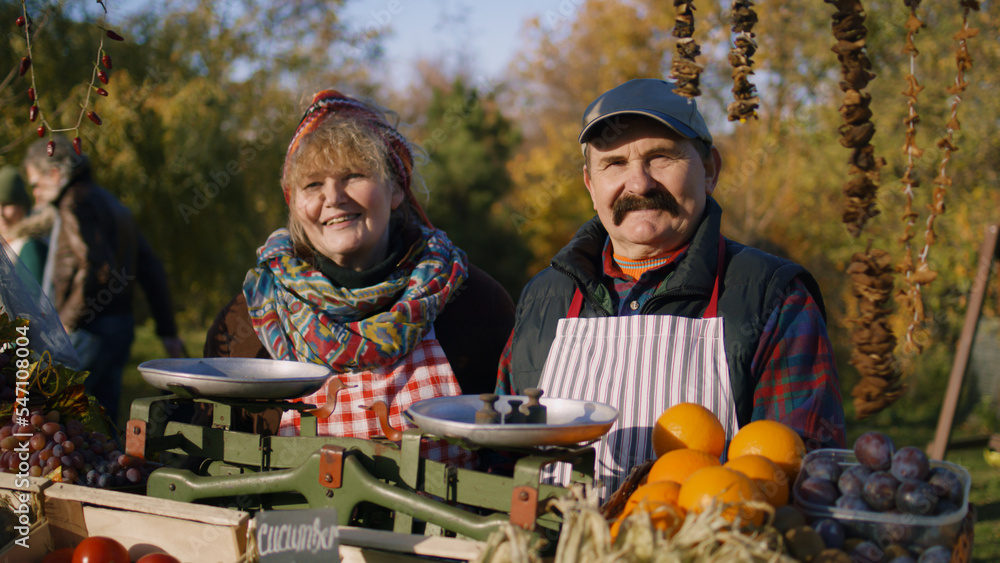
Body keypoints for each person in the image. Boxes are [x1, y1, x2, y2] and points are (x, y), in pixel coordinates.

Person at [495, 79, 845, 493]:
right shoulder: (543, 298)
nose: (639, 184)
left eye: (661, 157)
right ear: (591, 185)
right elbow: (501, 454)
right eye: (614, 164)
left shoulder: (772, 297)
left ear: (710, 169)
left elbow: (798, 475)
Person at [204, 89, 515, 452]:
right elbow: (204, 459)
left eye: (353, 175)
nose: (333, 198)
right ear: (294, 203)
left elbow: (511, 449)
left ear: (396, 189)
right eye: (313, 184)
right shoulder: (246, 322)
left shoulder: (474, 303)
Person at [23, 136, 186, 423]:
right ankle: (107, 468)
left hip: (88, 331)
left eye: (36, 183)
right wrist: (167, 331)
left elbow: (97, 267)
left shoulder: (75, 203)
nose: (34, 193)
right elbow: (151, 268)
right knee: (101, 419)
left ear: (55, 174)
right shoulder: (113, 204)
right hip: (119, 328)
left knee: (54, 417)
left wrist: (65, 323)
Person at [0, 165, 47, 283]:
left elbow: (36, 299)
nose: (1, 213)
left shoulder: (30, 247)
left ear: (23, 207)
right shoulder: (5, 244)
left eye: (8, 205)